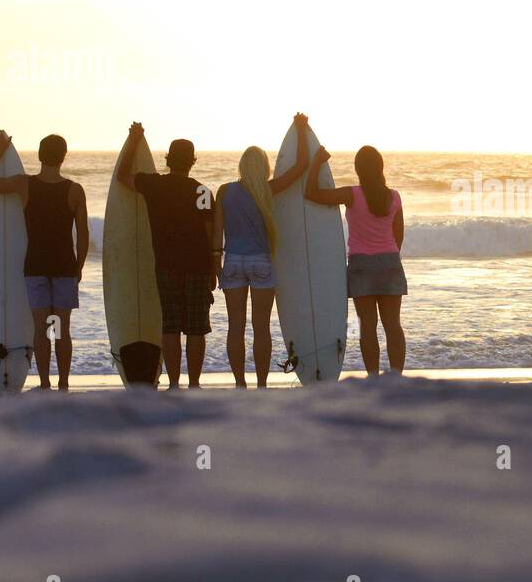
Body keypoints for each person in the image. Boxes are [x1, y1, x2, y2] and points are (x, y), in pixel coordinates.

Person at [0, 130, 90, 391]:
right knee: (61, 329)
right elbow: (83, 235)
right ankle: (63, 384)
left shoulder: (24, 185)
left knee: (41, 329)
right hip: (65, 267)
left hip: (36, 266)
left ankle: (44, 384)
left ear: (40, 156)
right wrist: (79, 267)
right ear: (63, 157)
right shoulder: (75, 191)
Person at [212, 112, 311, 388]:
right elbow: (301, 165)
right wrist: (301, 130)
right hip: (260, 263)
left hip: (232, 261)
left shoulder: (224, 191)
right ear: (265, 167)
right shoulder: (268, 190)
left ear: (242, 166)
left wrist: (215, 264)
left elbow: (216, 232)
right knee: (261, 328)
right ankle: (262, 384)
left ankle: (240, 383)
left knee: (235, 328)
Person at [115, 123, 216, 389]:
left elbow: (121, 176)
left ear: (169, 159)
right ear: (192, 162)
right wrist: (214, 269)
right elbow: (210, 235)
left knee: (170, 327)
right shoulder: (202, 191)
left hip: (166, 265)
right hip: (197, 266)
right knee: (196, 328)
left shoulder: (153, 184)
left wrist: (134, 140)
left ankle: (173, 383)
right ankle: (194, 384)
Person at [306, 144, 406, 376]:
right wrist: (388, 257)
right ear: (381, 167)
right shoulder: (394, 197)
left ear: (358, 169)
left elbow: (311, 193)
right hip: (390, 263)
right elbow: (398, 234)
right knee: (393, 326)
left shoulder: (352, 195)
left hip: (361, 266)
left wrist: (317, 162)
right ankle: (397, 379)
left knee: (367, 328)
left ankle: (372, 378)